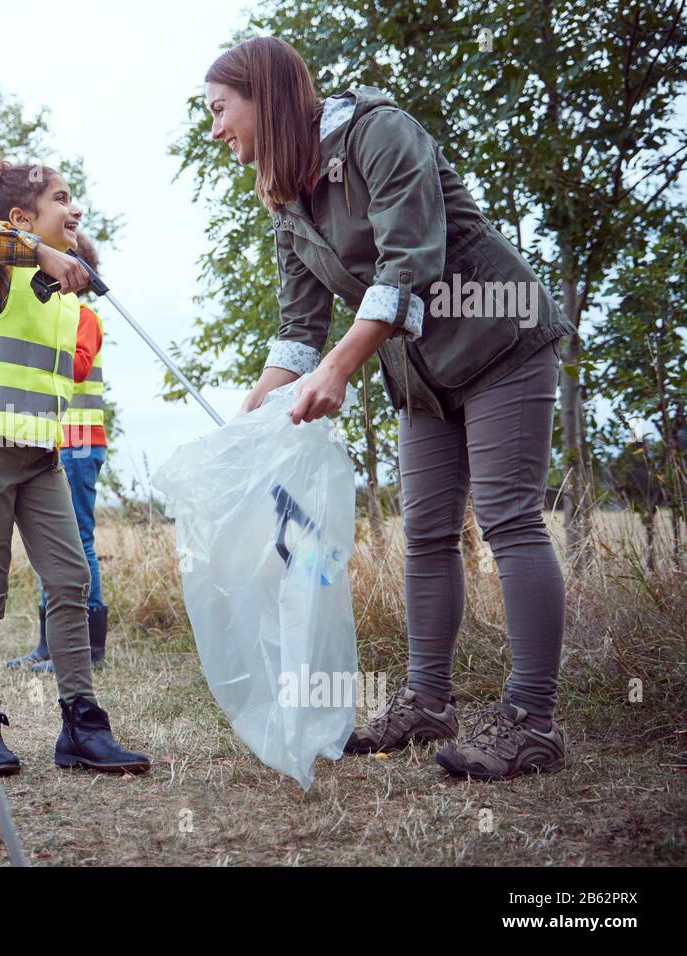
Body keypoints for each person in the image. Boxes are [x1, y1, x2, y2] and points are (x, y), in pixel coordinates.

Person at [205, 37, 576, 781]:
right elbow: (297, 333)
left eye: (220, 110)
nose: (216, 130)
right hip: (422, 375)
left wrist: (344, 367)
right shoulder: (287, 201)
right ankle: (428, 702)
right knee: (428, 533)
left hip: (500, 337)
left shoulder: (378, 131)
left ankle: (532, 720)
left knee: (509, 519)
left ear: (264, 96)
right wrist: (250, 422)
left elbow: (412, 261)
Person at [0, 158, 149, 776]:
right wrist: (40, 251)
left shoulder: (65, 296)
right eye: (62, 197)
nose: (75, 207)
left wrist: (60, 264)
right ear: (22, 218)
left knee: (70, 580)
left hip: (41, 460)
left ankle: (81, 726)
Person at [6, 232, 113, 672]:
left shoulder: (83, 316)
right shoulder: (53, 315)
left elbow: (80, 364)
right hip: (53, 441)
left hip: (80, 445)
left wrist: (36, 352)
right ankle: (48, 646)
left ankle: (90, 649)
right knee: (46, 547)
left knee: (79, 541)